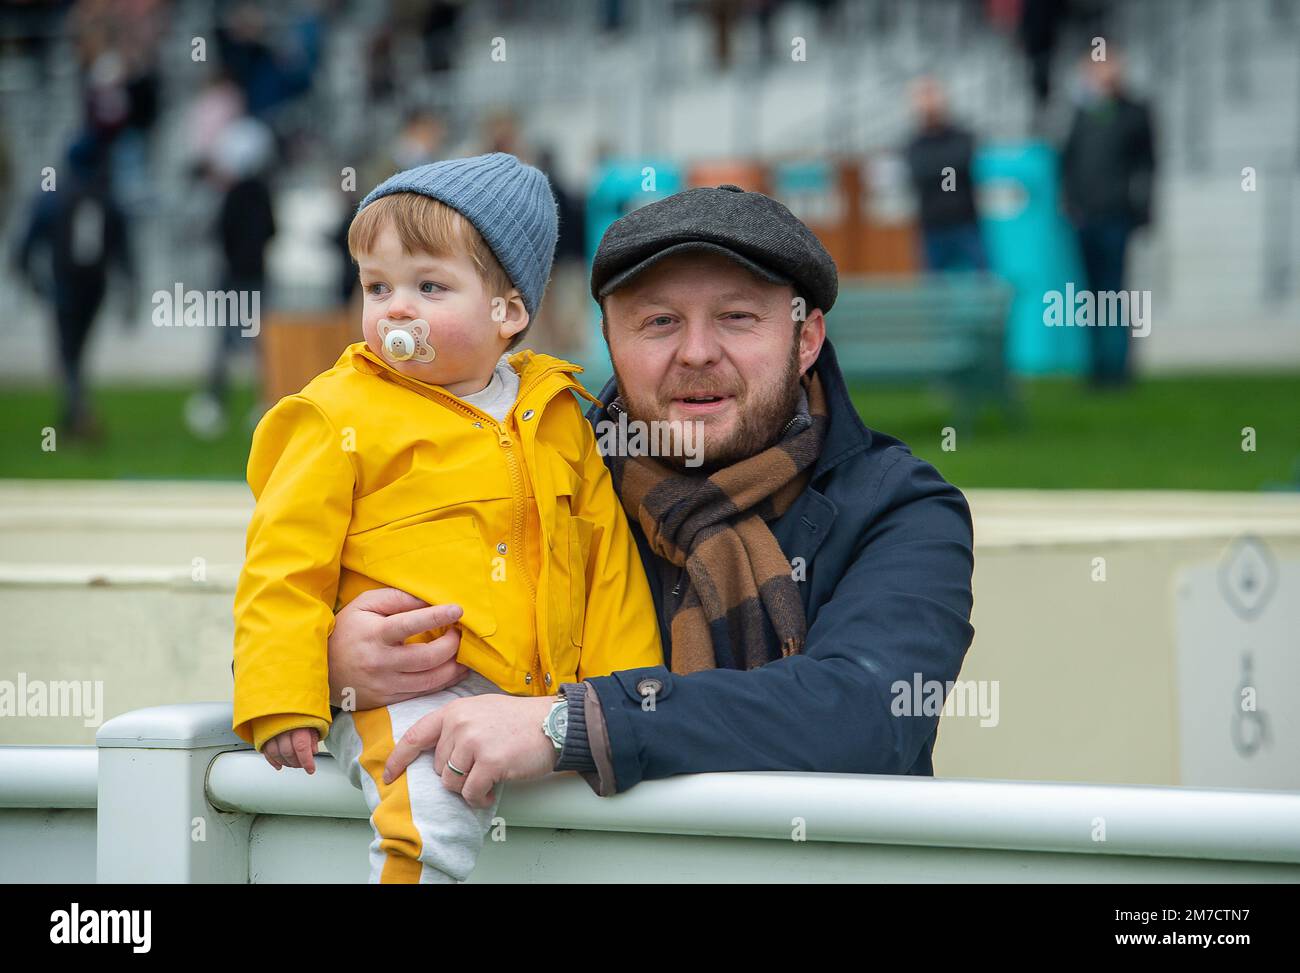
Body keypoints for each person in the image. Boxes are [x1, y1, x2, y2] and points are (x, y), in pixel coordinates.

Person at [327, 183, 977, 806]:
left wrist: (576, 724)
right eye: (660, 321)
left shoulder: (901, 506)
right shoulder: (540, 478)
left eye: (738, 317)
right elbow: (307, 616)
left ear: (805, 338)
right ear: (610, 339)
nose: (697, 352)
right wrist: (336, 666)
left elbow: (866, 714)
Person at [230, 153, 662, 883]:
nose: (395, 308)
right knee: (424, 813)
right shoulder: (337, 414)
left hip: (539, 696)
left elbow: (606, 564)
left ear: (509, 312)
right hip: (403, 688)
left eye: (429, 285)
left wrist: (631, 695)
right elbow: (282, 565)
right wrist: (283, 693)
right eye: (377, 285)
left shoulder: (555, 415)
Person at [14, 133, 136, 441]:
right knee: (76, 353)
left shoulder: (55, 195)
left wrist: (32, 280)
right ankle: (74, 414)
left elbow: (27, 244)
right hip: (94, 287)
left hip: (66, 286)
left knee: (68, 354)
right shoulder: (105, 195)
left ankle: (78, 413)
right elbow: (124, 250)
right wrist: (129, 288)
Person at [1060, 51, 1156, 388]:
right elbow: (1068, 161)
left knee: (1113, 293)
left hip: (1117, 216)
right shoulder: (1083, 114)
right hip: (1086, 218)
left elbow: (1148, 166)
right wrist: (1071, 205)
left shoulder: (1134, 112)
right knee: (1090, 296)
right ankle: (1096, 368)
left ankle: (1117, 368)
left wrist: (1142, 212)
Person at [903, 75, 987, 272]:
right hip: (933, 227)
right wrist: (944, 168)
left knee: (983, 279)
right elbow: (921, 171)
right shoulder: (914, 144)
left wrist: (940, 169)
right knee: (935, 290)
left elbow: (956, 163)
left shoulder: (963, 137)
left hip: (965, 222)